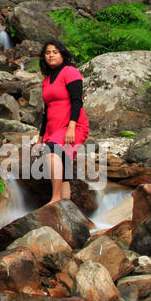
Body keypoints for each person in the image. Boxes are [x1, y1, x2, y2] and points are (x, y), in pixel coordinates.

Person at [31, 39, 90, 204]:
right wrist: (40, 138)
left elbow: (77, 101)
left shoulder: (70, 72)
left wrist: (72, 127)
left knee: (52, 151)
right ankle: (65, 204)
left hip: (72, 125)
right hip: (53, 128)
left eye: (54, 52)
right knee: (63, 166)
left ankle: (55, 197)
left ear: (62, 54)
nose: (51, 55)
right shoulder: (46, 81)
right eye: (48, 53)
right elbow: (46, 111)